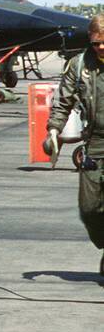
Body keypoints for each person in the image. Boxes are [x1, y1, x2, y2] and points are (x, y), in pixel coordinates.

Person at [45, 14, 104, 274]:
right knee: (89, 209)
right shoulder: (79, 65)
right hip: (95, 144)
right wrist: (53, 130)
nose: (101, 47)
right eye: (96, 43)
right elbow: (62, 101)